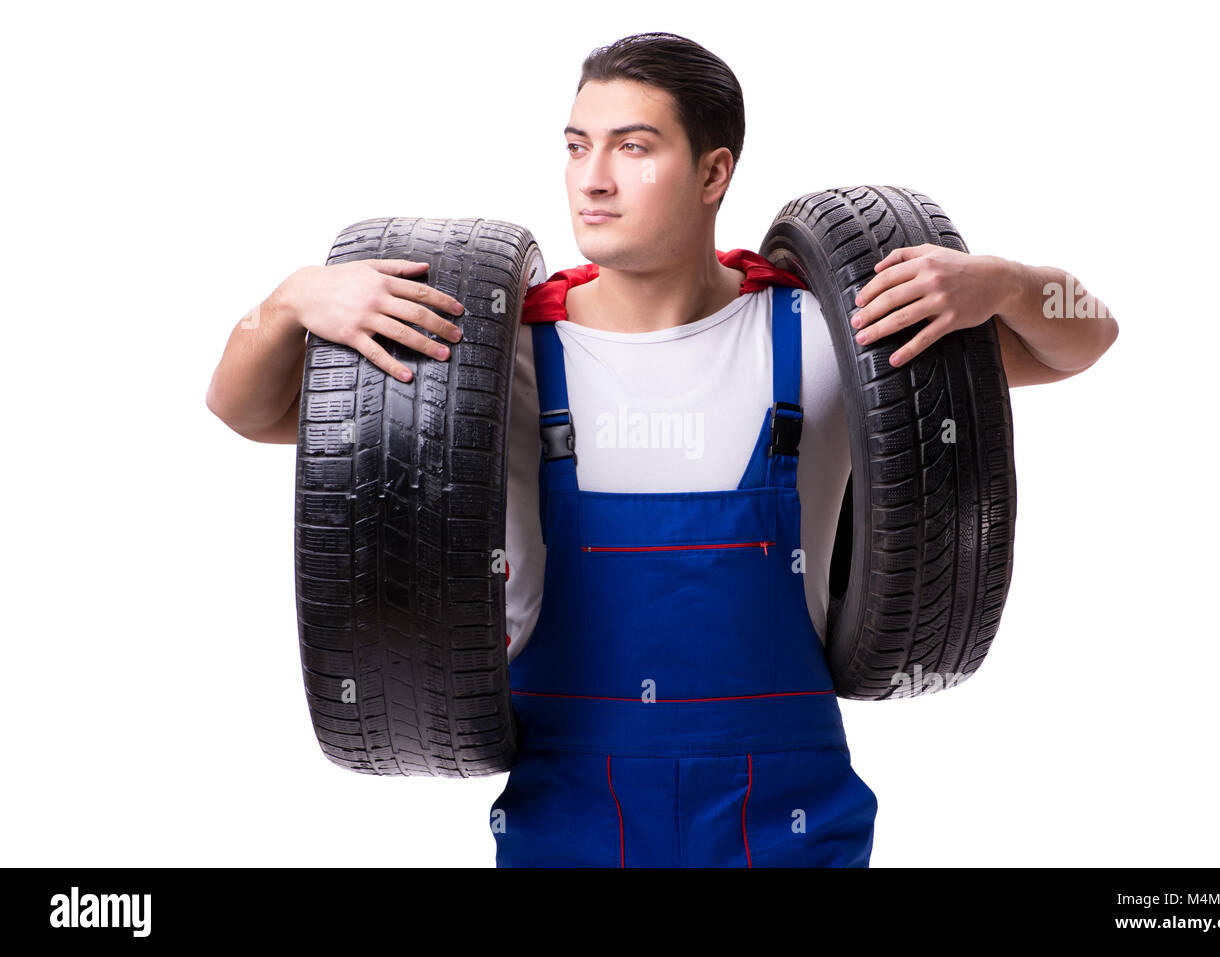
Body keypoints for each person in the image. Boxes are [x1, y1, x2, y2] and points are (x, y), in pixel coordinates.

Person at [205, 32, 1118, 867]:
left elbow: (1083, 340)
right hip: (569, 820)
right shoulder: (494, 358)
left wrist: (1002, 282)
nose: (590, 179)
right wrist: (288, 304)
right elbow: (245, 409)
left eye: (632, 148)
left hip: (790, 824)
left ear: (714, 171)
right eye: (576, 146)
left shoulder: (826, 334)